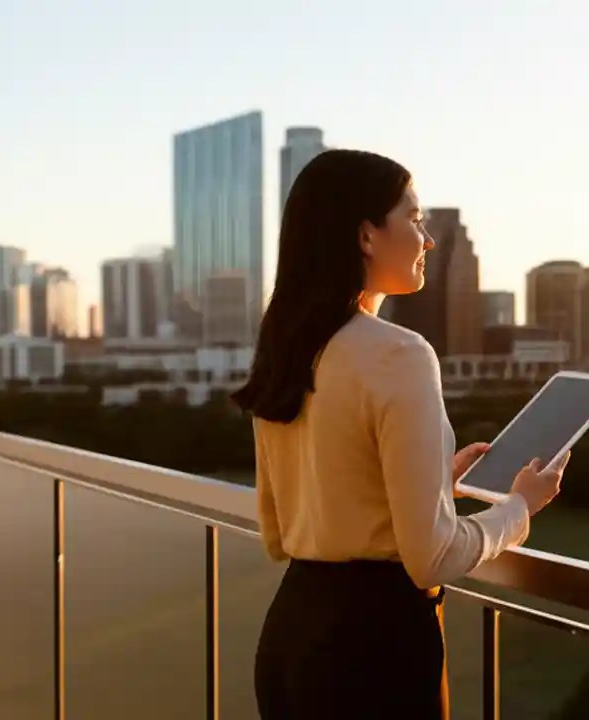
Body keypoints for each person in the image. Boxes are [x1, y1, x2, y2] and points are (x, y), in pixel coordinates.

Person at [233, 149, 567, 719]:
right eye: (413, 220)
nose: (426, 240)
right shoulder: (400, 353)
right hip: (371, 655)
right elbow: (431, 558)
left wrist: (435, 479)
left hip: (292, 635)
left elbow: (280, 523)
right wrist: (519, 510)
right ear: (367, 236)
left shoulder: (289, 347)